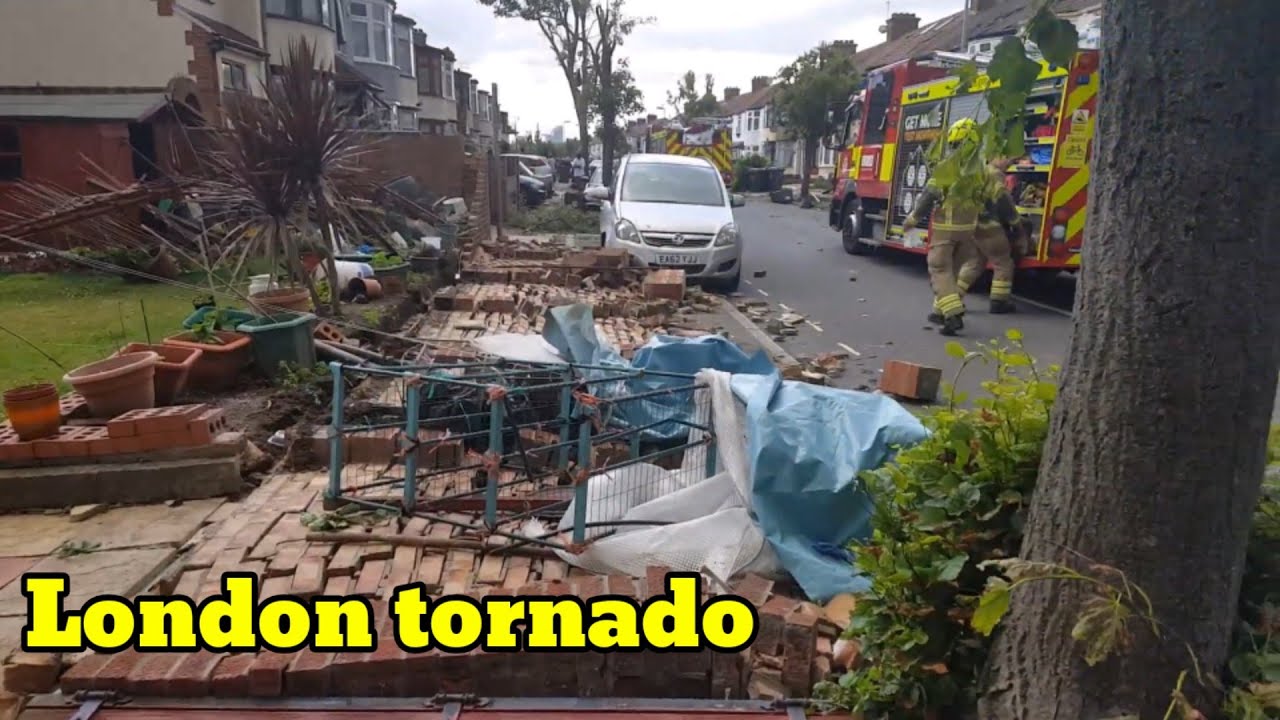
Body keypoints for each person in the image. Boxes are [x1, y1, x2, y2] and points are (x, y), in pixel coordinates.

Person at [903, 118, 984, 337]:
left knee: (939, 268)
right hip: (968, 232)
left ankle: (952, 315)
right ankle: (939, 311)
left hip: (946, 230)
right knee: (953, 270)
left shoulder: (947, 168)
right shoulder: (980, 170)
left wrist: (913, 218)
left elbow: (929, 195)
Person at [954, 156, 1021, 315]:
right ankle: (999, 302)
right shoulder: (995, 175)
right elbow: (1004, 202)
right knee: (1003, 263)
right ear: (995, 157)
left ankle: (954, 299)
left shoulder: (977, 172)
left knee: (975, 263)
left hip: (972, 226)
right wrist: (1016, 223)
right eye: (1007, 159)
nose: (1010, 163)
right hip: (989, 227)